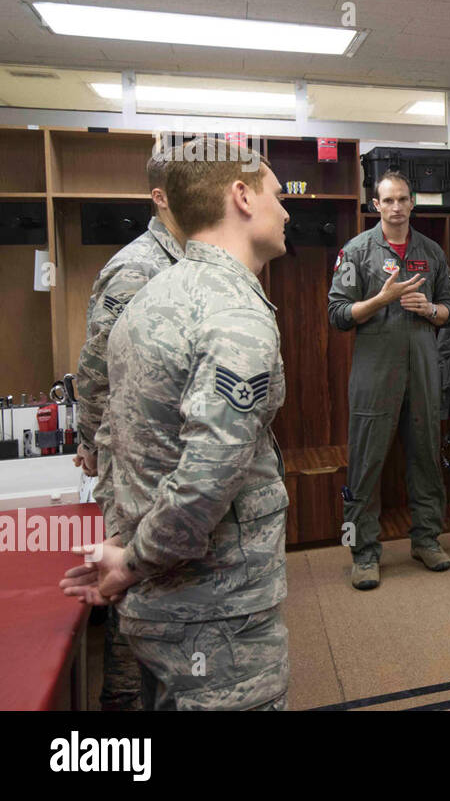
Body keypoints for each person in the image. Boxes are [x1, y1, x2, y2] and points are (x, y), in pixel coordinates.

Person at [60, 136, 292, 710]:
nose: (286, 211)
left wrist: (125, 549)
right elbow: (208, 476)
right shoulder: (233, 314)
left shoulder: (156, 295)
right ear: (241, 196)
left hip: (162, 605)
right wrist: (130, 560)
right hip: (214, 607)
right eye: (276, 195)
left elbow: (113, 435)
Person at [70, 148, 186, 712]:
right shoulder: (139, 267)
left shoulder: (190, 260)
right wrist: (91, 444)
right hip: (133, 459)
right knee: (133, 590)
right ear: (160, 198)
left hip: (165, 453)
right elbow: (96, 369)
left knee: (161, 584)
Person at [328, 169, 450, 590]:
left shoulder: (431, 251)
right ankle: (364, 552)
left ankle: (426, 539)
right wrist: (379, 300)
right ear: (376, 205)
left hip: (423, 371)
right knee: (366, 462)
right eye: (388, 200)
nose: (397, 207)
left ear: (412, 203)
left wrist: (431, 310)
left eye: (403, 199)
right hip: (375, 374)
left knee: (425, 457)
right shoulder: (357, 251)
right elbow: (337, 315)